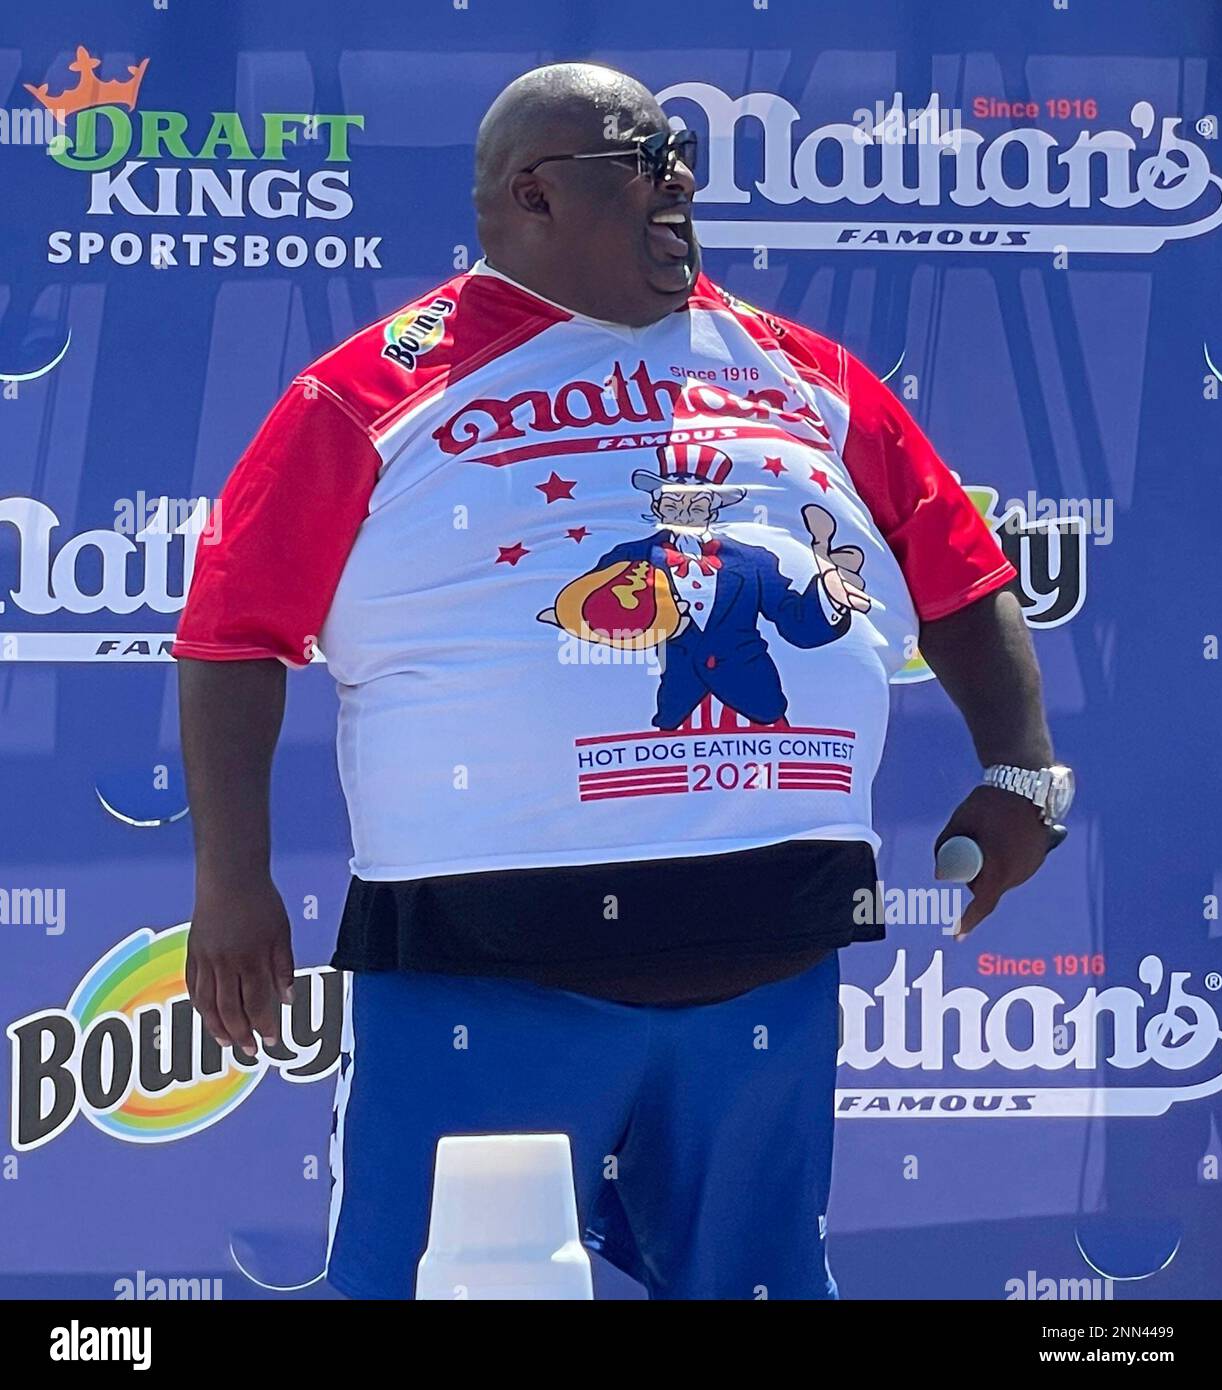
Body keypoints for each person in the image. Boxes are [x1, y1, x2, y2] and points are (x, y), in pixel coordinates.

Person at [174, 61, 1072, 1300]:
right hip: (488, 967)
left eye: (682, 150)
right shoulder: (366, 392)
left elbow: (961, 572)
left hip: (770, 954)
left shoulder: (803, 371)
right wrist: (232, 883)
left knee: (755, 1288)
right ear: (534, 196)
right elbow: (231, 634)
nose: (682, 179)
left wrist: (1022, 765)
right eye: (642, 157)